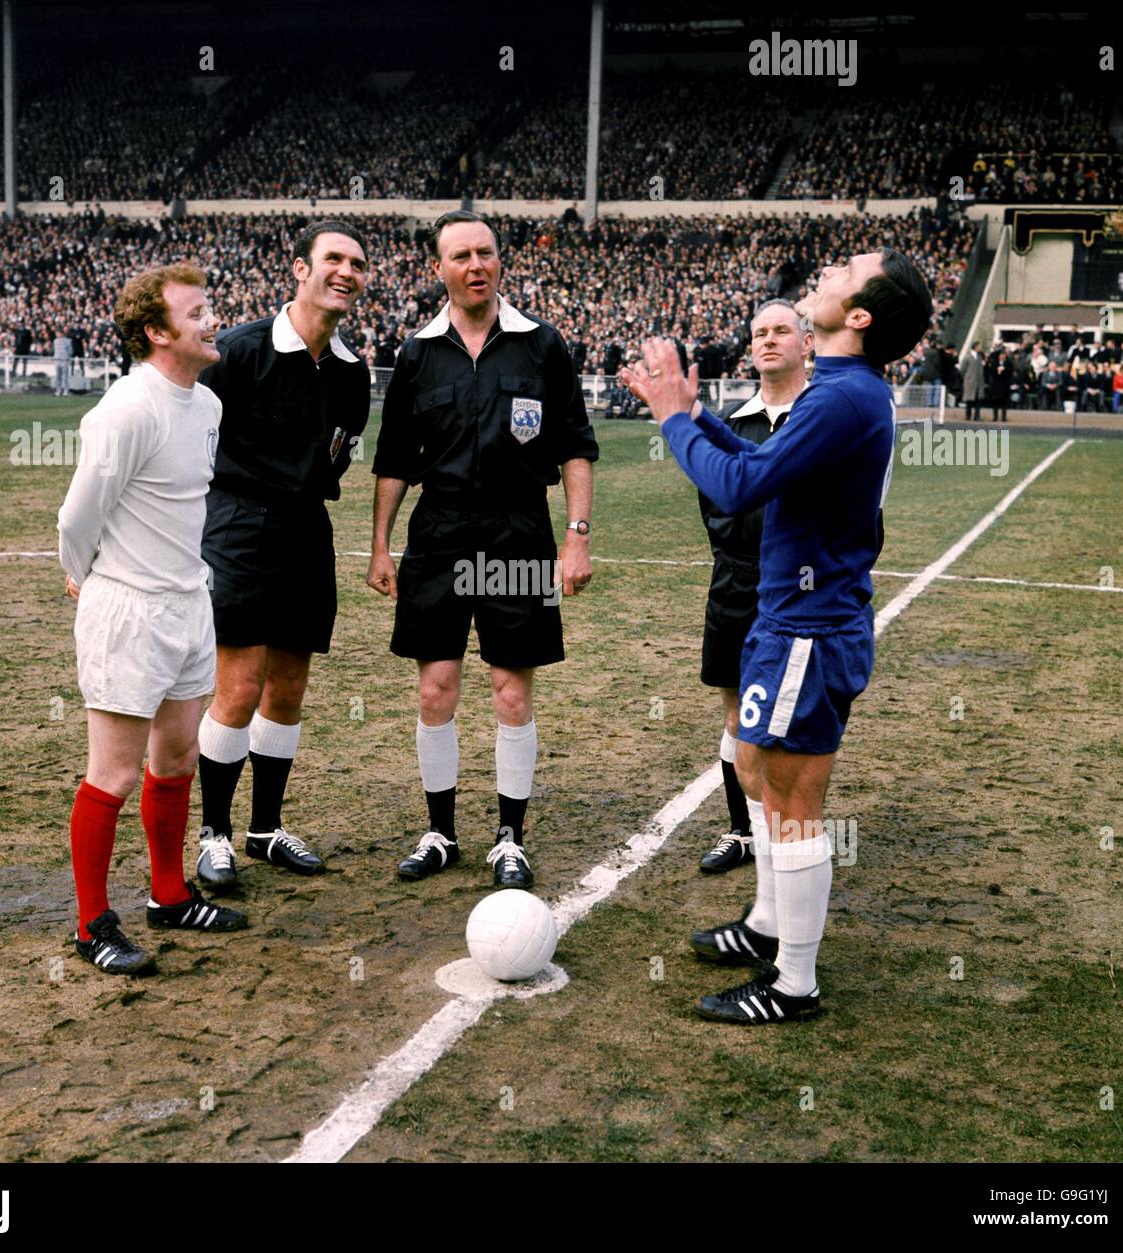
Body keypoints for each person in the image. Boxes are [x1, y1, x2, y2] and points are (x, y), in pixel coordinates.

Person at [621, 247, 932, 1025]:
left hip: (809, 629)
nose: (826, 272)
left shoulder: (843, 397)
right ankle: (766, 923)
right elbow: (762, 460)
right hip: (790, 621)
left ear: (858, 316)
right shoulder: (840, 389)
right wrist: (698, 418)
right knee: (757, 766)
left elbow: (739, 487)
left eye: (845, 273)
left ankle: (794, 985)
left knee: (791, 797)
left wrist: (670, 420)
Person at [369, 210, 598, 888]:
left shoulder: (542, 345)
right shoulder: (416, 353)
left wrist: (576, 535)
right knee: (436, 687)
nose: (476, 265)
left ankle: (509, 836)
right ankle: (439, 830)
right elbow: (392, 460)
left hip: (518, 530)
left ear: (501, 262)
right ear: (438, 269)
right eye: (461, 255)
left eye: (486, 253)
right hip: (438, 534)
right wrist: (380, 545)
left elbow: (575, 447)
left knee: (509, 690)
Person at [57, 262, 245, 976]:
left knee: (177, 759)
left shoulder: (207, 405)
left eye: (209, 307)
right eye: (196, 312)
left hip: (189, 602)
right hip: (128, 609)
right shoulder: (125, 409)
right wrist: (82, 575)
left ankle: (170, 896)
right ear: (156, 331)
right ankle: (91, 922)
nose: (211, 320)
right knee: (113, 772)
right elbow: (78, 516)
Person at [193, 221, 371, 893]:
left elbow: (337, 456)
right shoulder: (236, 351)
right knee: (237, 687)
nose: (346, 271)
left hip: (305, 531)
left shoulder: (353, 374)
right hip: (237, 526)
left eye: (356, 263)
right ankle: (213, 833)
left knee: (288, 690)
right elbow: (184, 439)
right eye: (332, 259)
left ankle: (264, 828)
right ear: (300, 269)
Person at [695, 299, 811, 879]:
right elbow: (712, 498)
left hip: (798, 591)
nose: (769, 339)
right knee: (736, 714)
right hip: (734, 582)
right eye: (760, 332)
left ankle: (784, 833)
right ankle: (741, 830)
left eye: (782, 330)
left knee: (786, 722)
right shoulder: (732, 420)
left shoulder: (820, 416)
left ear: (806, 343)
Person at [960, 345, 984, 421]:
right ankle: (968, 415)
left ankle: (977, 416)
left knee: (978, 399)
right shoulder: (968, 357)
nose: (980, 348)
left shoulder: (979, 357)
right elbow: (962, 369)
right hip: (970, 381)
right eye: (979, 346)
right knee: (969, 400)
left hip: (979, 381)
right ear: (975, 347)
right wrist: (967, 377)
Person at [53, 330, 73, 396]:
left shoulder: (68, 341)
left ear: (61, 333)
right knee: (58, 376)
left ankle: (66, 391)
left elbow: (70, 351)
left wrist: (67, 357)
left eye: (58, 333)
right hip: (57, 360)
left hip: (64, 360)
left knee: (65, 376)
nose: (57, 334)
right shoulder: (55, 341)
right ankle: (58, 390)